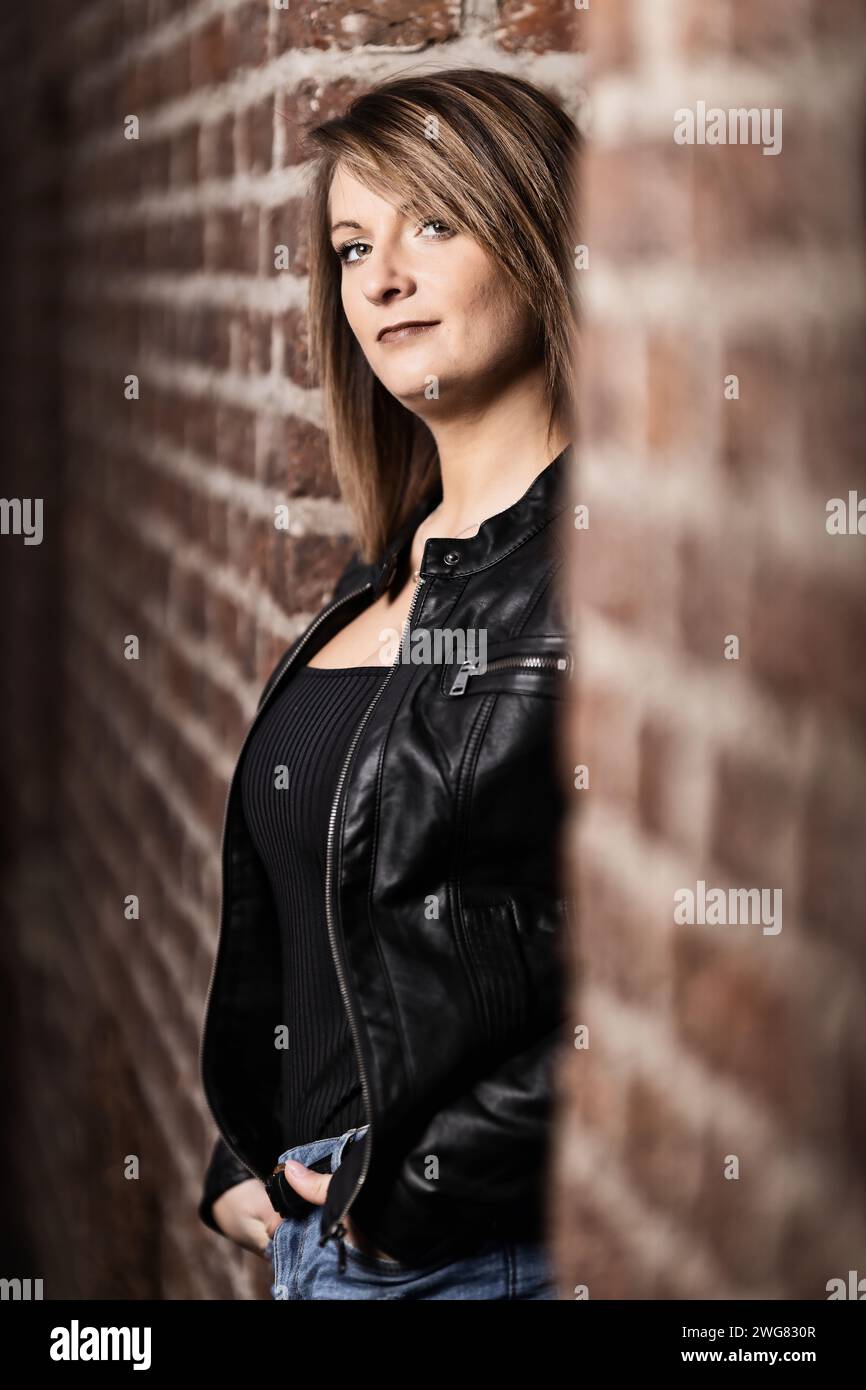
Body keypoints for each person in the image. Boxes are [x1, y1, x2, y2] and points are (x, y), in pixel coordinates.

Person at [197, 65, 580, 1300]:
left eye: (433, 223)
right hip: (320, 1239)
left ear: (539, 236)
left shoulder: (599, 575)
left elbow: (679, 969)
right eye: (352, 244)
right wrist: (245, 1157)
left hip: (468, 1259)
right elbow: (332, 923)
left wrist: (407, 1194)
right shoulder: (390, 570)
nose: (381, 276)